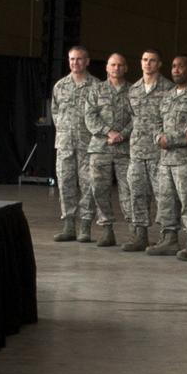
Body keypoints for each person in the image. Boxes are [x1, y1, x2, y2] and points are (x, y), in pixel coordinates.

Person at [51, 45, 103, 242]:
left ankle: (85, 226)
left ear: (87, 61)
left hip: (88, 146)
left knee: (89, 186)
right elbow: (55, 112)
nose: (75, 62)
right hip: (65, 144)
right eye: (72, 59)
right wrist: (65, 130)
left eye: (79, 59)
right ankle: (68, 225)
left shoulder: (97, 87)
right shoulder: (60, 86)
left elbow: (101, 115)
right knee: (65, 184)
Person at [124, 48, 172, 251]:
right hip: (137, 151)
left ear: (159, 64)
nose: (148, 63)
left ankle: (166, 237)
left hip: (159, 152)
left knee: (164, 196)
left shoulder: (168, 88)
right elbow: (131, 118)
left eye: (152, 60)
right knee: (137, 194)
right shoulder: (133, 90)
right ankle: (140, 235)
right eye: (145, 59)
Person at [84, 52, 132, 248]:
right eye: (113, 65)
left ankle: (134, 232)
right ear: (106, 67)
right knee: (99, 190)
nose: (116, 68)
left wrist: (122, 134)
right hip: (100, 148)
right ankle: (107, 231)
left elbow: (137, 117)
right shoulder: (96, 90)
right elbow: (89, 116)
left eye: (120, 65)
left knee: (129, 191)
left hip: (125, 149)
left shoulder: (133, 91)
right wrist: (108, 132)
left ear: (126, 68)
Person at [153, 53, 187, 256]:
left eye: (181, 66)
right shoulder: (168, 96)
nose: (176, 70)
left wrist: (168, 140)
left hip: (185, 160)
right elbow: (156, 123)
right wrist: (158, 138)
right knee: (166, 201)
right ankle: (169, 239)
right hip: (166, 160)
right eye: (173, 66)